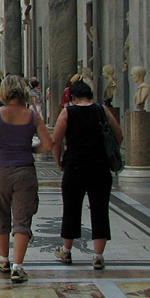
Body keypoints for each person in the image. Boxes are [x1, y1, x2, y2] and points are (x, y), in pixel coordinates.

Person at [0, 74, 54, 284]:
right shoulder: (32, 116)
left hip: (0, 170)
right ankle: (18, 267)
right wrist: (30, 150)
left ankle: (4, 259)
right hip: (25, 170)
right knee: (22, 219)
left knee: (0, 213)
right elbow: (48, 144)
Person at [51, 78, 123, 270]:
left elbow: (56, 141)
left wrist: (59, 162)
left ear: (73, 97)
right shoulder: (101, 110)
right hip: (100, 167)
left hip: (75, 166)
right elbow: (118, 134)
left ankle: (66, 251)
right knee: (100, 210)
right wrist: (108, 152)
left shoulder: (68, 112)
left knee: (71, 208)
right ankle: (98, 256)